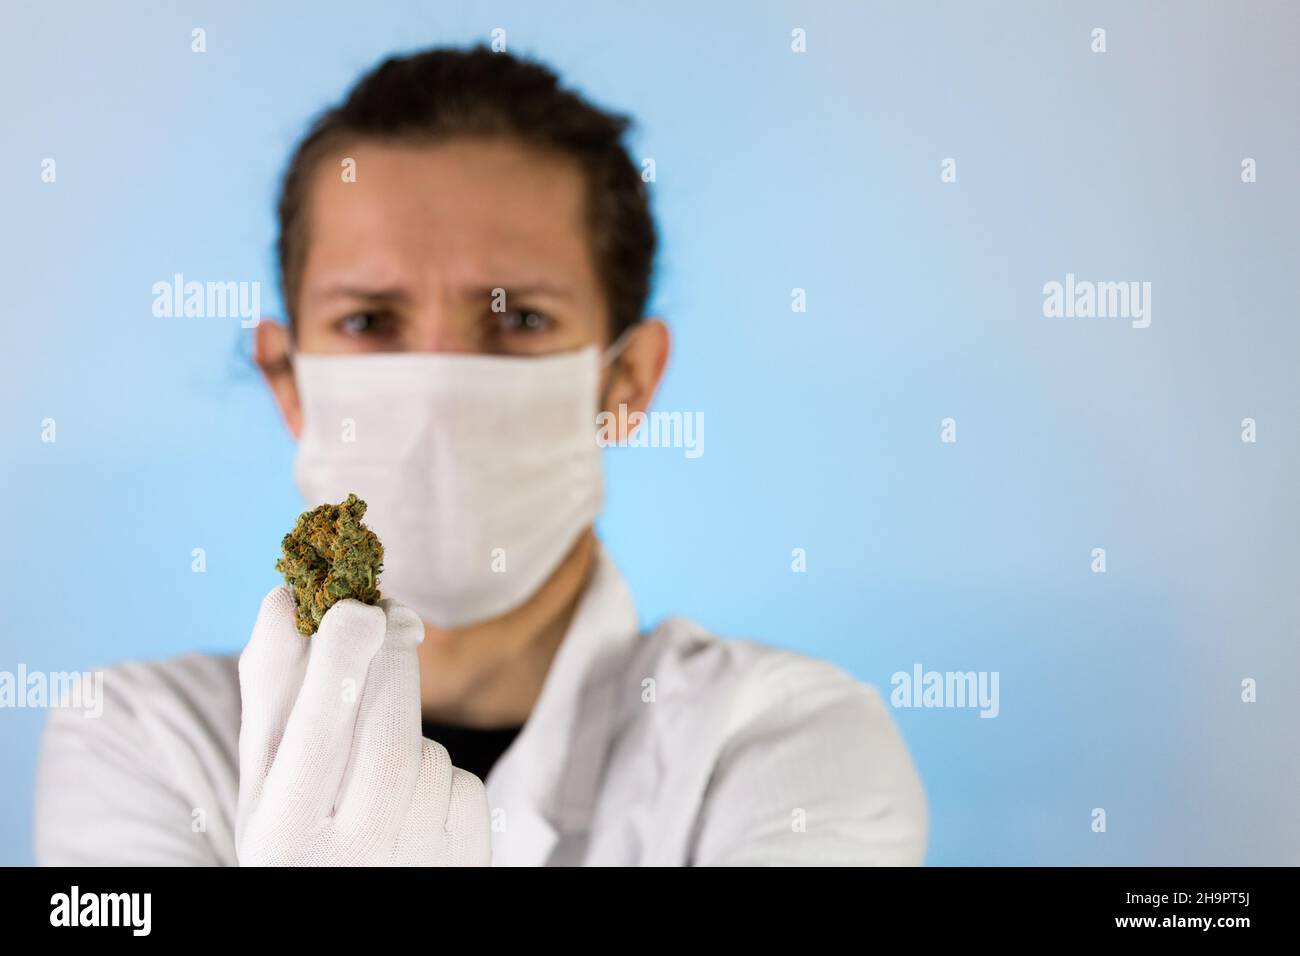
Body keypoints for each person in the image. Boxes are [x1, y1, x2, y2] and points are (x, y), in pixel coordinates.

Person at [33, 45, 927, 866]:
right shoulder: (143, 743)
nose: (436, 387)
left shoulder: (786, 748)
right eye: (369, 322)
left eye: (518, 320)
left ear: (627, 382)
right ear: (289, 381)